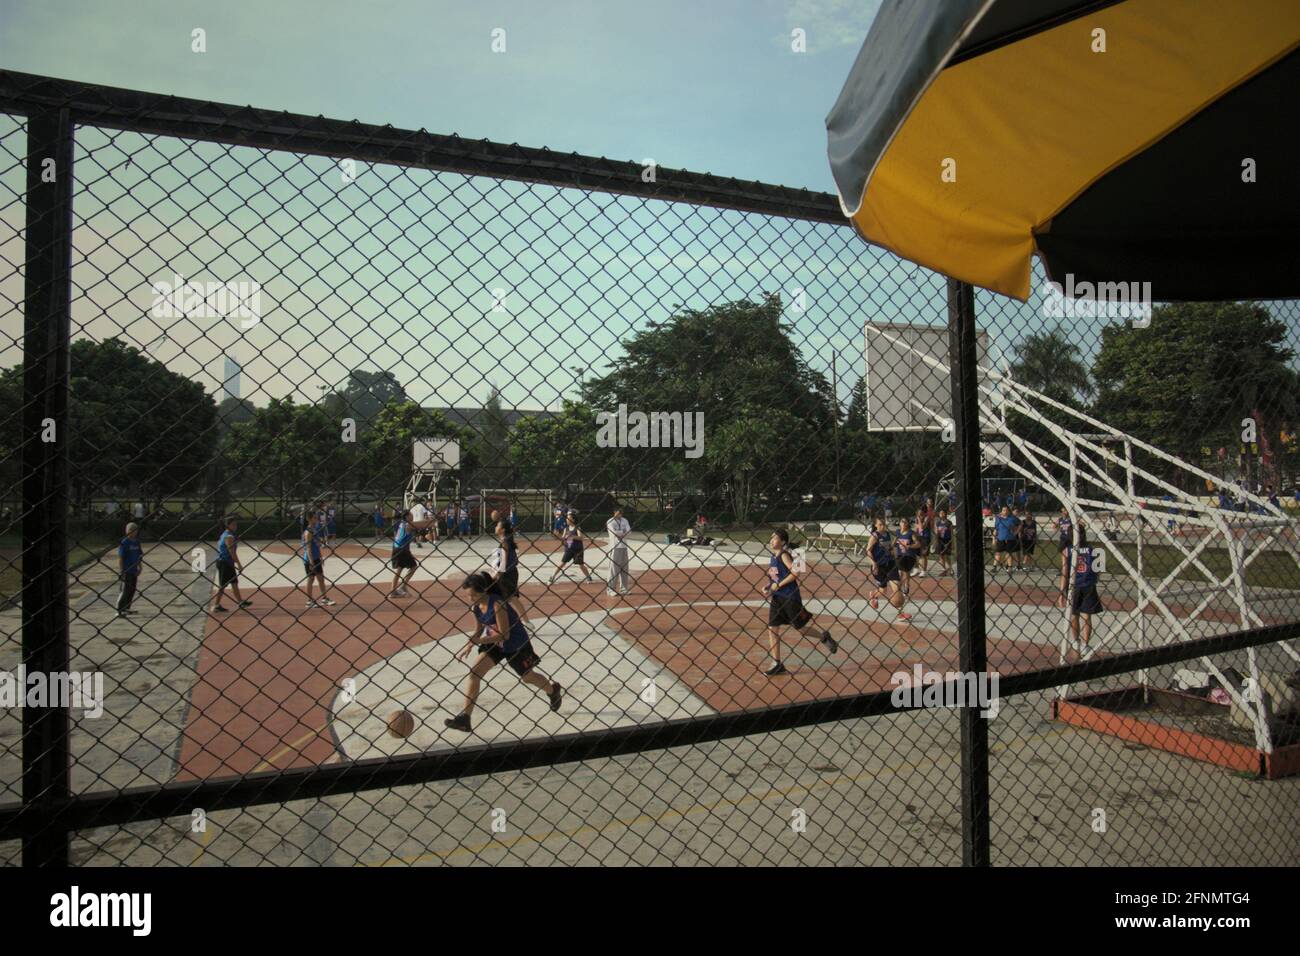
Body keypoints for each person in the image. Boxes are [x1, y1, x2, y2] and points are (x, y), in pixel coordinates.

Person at [443, 571, 564, 733]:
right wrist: (469, 645)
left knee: (528, 678)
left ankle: (552, 691)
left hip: (515, 644)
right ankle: (465, 718)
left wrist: (478, 641)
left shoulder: (497, 604)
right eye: (467, 596)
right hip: (494, 643)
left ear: (484, 591)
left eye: (472, 595)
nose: (470, 599)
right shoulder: (476, 607)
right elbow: (478, 630)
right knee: (474, 673)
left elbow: (504, 634)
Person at [759, 528, 838, 676]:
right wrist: (769, 586)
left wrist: (778, 585)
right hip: (777, 598)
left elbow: (795, 573)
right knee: (772, 628)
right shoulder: (772, 557)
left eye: (775, 538)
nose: (771, 540)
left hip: (789, 597)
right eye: (771, 537)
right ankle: (777, 662)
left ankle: (823, 637)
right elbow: (775, 578)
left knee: (800, 629)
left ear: (782, 542)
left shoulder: (783, 555)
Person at [1060, 524, 1103, 654]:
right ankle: (1085, 644)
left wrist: (1061, 591)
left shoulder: (1067, 550)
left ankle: (1076, 641)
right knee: (1087, 616)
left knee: (1074, 615)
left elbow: (1065, 571)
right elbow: (1098, 569)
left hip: (1074, 585)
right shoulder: (1091, 549)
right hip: (1088, 585)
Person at [867, 518, 909, 623]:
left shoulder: (887, 534)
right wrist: (874, 563)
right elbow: (868, 551)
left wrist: (894, 555)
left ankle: (900, 613)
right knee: (883, 590)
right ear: (876, 525)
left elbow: (889, 547)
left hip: (890, 564)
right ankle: (874, 596)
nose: (883, 526)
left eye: (884, 524)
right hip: (879, 566)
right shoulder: (875, 536)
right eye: (880, 524)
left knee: (897, 588)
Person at [210, 515, 252, 613]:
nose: (235, 526)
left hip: (226, 562)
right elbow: (232, 552)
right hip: (225, 562)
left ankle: (240, 602)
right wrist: (239, 564)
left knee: (234, 583)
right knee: (223, 585)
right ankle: (216, 605)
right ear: (228, 525)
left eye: (236, 524)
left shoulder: (224, 534)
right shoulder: (229, 537)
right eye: (233, 524)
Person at [302, 512, 336, 608]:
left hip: (316, 557)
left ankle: (324, 598)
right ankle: (309, 601)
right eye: (314, 518)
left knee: (321, 578)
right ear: (309, 519)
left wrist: (320, 557)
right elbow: (308, 548)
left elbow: (317, 546)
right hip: (310, 558)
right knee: (311, 579)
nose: (316, 519)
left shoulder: (315, 530)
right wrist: (311, 562)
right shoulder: (308, 532)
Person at [550, 510, 593, 583]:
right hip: (568, 549)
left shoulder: (577, 527)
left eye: (568, 518)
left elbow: (581, 537)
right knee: (562, 563)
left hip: (577, 549)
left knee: (581, 564)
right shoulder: (566, 529)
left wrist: (572, 536)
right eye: (566, 518)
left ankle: (588, 577)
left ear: (573, 519)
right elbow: (563, 538)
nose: (567, 520)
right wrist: (557, 536)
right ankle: (553, 576)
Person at [116, 521, 143, 617]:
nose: (134, 532)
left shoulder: (136, 542)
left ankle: (127, 607)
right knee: (125, 589)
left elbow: (139, 555)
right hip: (127, 570)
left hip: (134, 570)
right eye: (132, 530)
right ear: (128, 531)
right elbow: (121, 558)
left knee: (132, 589)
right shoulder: (125, 543)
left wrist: (140, 567)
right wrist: (122, 570)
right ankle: (119, 609)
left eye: (135, 530)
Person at [605, 507, 632, 596]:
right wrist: (622, 532)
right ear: (614, 512)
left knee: (624, 568)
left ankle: (624, 588)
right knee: (613, 568)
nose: (620, 514)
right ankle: (610, 589)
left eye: (621, 512)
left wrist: (621, 533)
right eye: (618, 512)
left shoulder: (625, 520)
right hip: (615, 547)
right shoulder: (610, 521)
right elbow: (614, 532)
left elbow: (629, 531)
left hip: (624, 546)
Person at [894, 517, 920, 596]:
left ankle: (906, 585)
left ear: (908, 524)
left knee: (906, 572)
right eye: (902, 522)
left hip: (909, 556)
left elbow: (918, 544)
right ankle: (900, 587)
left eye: (905, 522)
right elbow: (894, 543)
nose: (903, 523)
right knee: (900, 570)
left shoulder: (911, 533)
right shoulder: (898, 532)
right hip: (900, 555)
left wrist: (909, 546)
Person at [992, 505, 1020, 574]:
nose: (1005, 511)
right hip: (1000, 538)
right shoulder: (998, 519)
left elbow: (1020, 524)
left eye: (1006, 510)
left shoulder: (1012, 518)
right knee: (998, 552)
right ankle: (994, 567)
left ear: (1009, 511)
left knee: (1009, 553)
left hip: (1010, 538)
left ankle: (1009, 567)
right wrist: (993, 539)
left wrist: (1016, 532)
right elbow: (996, 529)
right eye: (1003, 510)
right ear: (1001, 511)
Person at [933, 507, 954, 575]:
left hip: (947, 540)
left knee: (947, 555)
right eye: (940, 513)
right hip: (939, 540)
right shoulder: (938, 522)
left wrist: (951, 542)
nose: (941, 514)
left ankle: (950, 568)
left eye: (943, 513)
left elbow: (951, 533)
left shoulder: (949, 523)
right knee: (941, 555)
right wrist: (935, 540)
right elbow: (936, 532)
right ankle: (944, 569)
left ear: (945, 514)